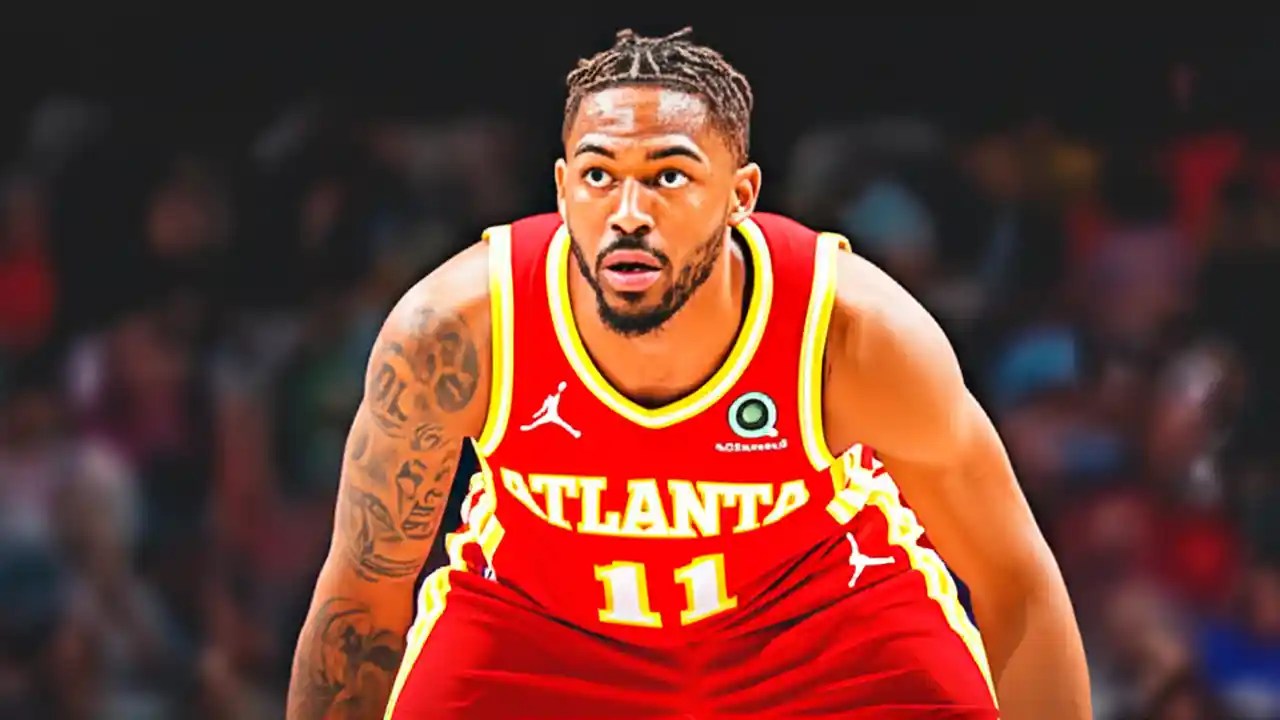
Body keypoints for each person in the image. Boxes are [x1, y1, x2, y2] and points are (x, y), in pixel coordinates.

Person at [286, 27, 1091, 719]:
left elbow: (1015, 580)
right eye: (599, 175)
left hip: (823, 630)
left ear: (740, 195)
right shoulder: (456, 330)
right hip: (539, 634)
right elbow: (364, 594)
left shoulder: (854, 331)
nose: (628, 211)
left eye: (668, 176)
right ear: (563, 188)